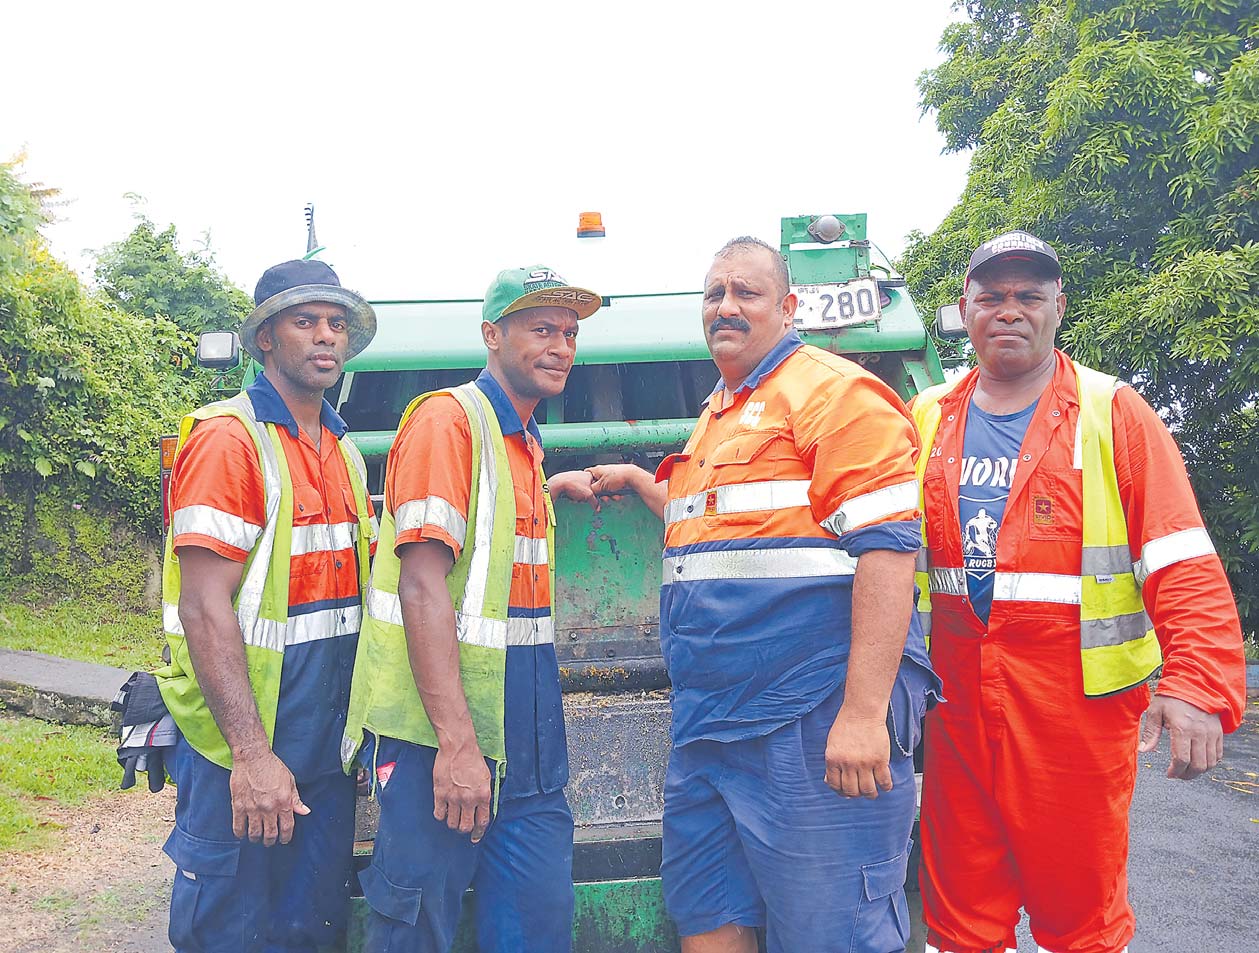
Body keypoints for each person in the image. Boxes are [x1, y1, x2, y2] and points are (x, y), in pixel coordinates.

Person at [557, 237, 941, 953]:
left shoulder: (835, 395)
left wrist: (861, 715)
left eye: (746, 292)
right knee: (708, 913)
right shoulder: (720, 412)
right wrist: (642, 483)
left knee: (832, 932)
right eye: (713, 294)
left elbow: (887, 554)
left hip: (809, 712)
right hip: (710, 722)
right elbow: (728, 523)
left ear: (788, 306)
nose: (725, 307)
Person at [912, 231, 1247, 953]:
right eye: (990, 296)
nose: (1008, 310)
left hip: (1071, 708)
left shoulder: (1111, 410)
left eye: (1028, 296)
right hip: (954, 701)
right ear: (962, 310)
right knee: (959, 913)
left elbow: (1179, 554)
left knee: (1080, 920)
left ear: (1057, 307)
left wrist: (1197, 684)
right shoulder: (925, 415)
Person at [341, 266, 600, 953]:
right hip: (441, 731)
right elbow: (422, 585)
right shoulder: (445, 420)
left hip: (529, 732)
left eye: (569, 333)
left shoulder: (520, 440)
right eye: (541, 328)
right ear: (492, 334)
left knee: (537, 920)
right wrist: (457, 744)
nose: (560, 345)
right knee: (416, 922)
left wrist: (548, 487)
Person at [156, 259, 378, 952]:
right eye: (304, 321)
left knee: (308, 931)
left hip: (321, 753)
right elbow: (202, 606)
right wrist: (253, 756)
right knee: (232, 932)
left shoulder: (342, 451)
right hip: (241, 749)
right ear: (264, 339)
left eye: (336, 324)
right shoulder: (231, 439)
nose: (325, 337)